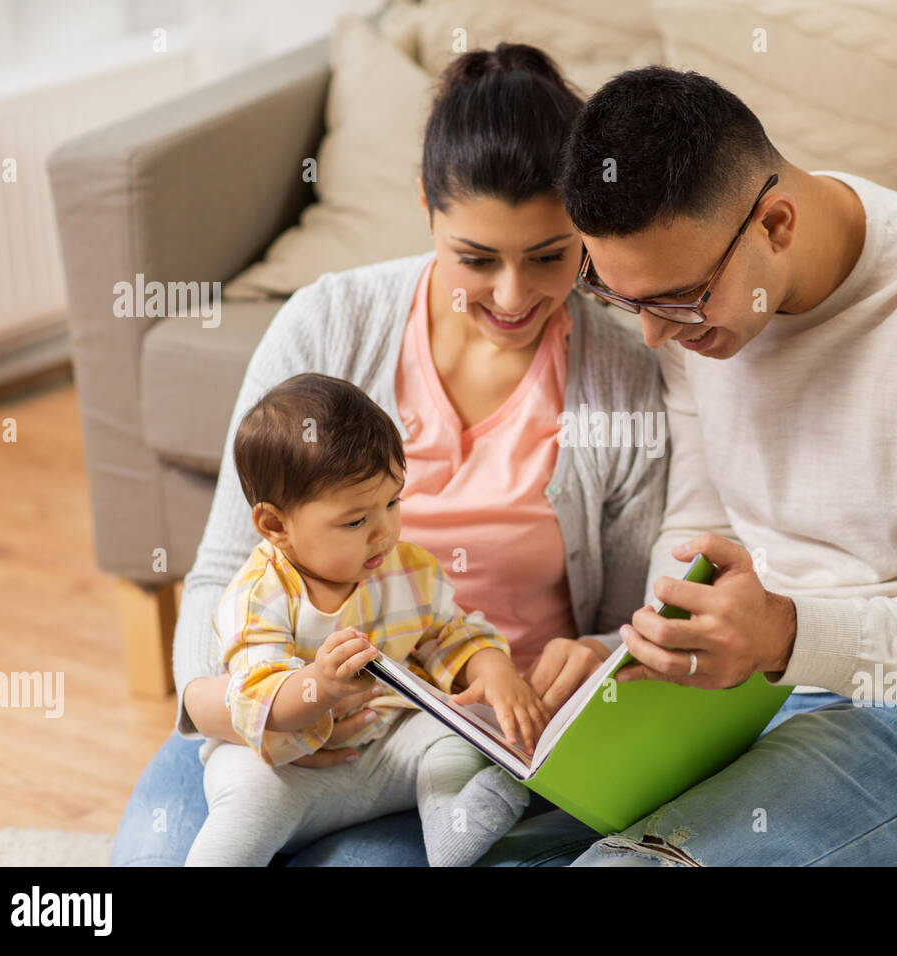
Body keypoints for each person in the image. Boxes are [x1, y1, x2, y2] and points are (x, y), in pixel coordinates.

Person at [109, 44, 667, 866]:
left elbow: (629, 619)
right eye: (475, 258)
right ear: (424, 207)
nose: (513, 298)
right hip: (266, 723)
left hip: (457, 748)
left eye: (550, 256)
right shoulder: (327, 324)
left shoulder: (622, 377)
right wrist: (242, 710)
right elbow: (224, 566)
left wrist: (593, 657)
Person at [518, 65, 897, 866]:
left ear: (776, 224)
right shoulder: (692, 318)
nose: (653, 337)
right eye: (623, 300)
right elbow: (697, 529)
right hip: (747, 703)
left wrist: (787, 634)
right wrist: (643, 657)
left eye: (676, 300)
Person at [183, 374, 544, 867]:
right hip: (287, 769)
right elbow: (255, 698)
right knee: (247, 803)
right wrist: (318, 686)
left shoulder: (409, 569)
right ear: (275, 526)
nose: (384, 532)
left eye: (393, 502)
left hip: (381, 753)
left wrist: (495, 671)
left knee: (450, 735)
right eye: (355, 521)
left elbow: (450, 636)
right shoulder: (258, 594)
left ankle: (452, 837)